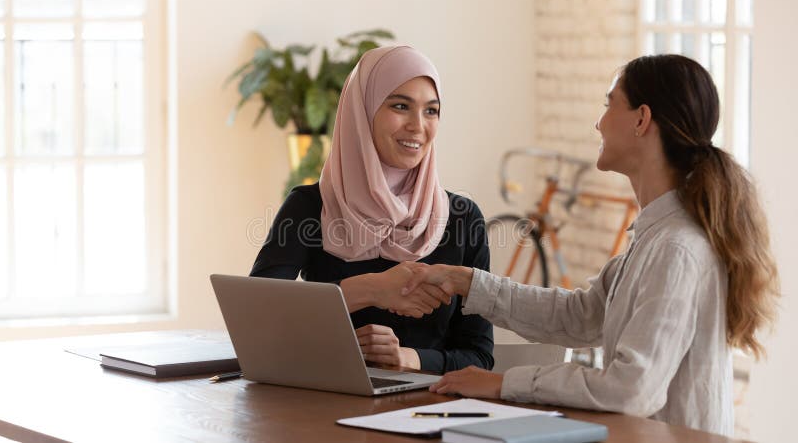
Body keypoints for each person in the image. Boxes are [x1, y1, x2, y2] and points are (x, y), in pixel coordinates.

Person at [400, 54, 780, 436]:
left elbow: (632, 389)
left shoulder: (676, 249)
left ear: (641, 120)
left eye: (608, 104)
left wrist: (504, 383)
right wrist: (468, 282)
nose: (598, 122)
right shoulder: (655, 237)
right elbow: (580, 315)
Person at [250, 46, 494, 374]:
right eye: (400, 106)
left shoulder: (463, 218)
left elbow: (479, 355)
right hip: (323, 403)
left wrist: (409, 358)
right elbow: (257, 316)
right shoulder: (310, 208)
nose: (417, 126)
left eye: (431, 111)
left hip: (427, 409)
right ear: (362, 112)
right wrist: (374, 289)